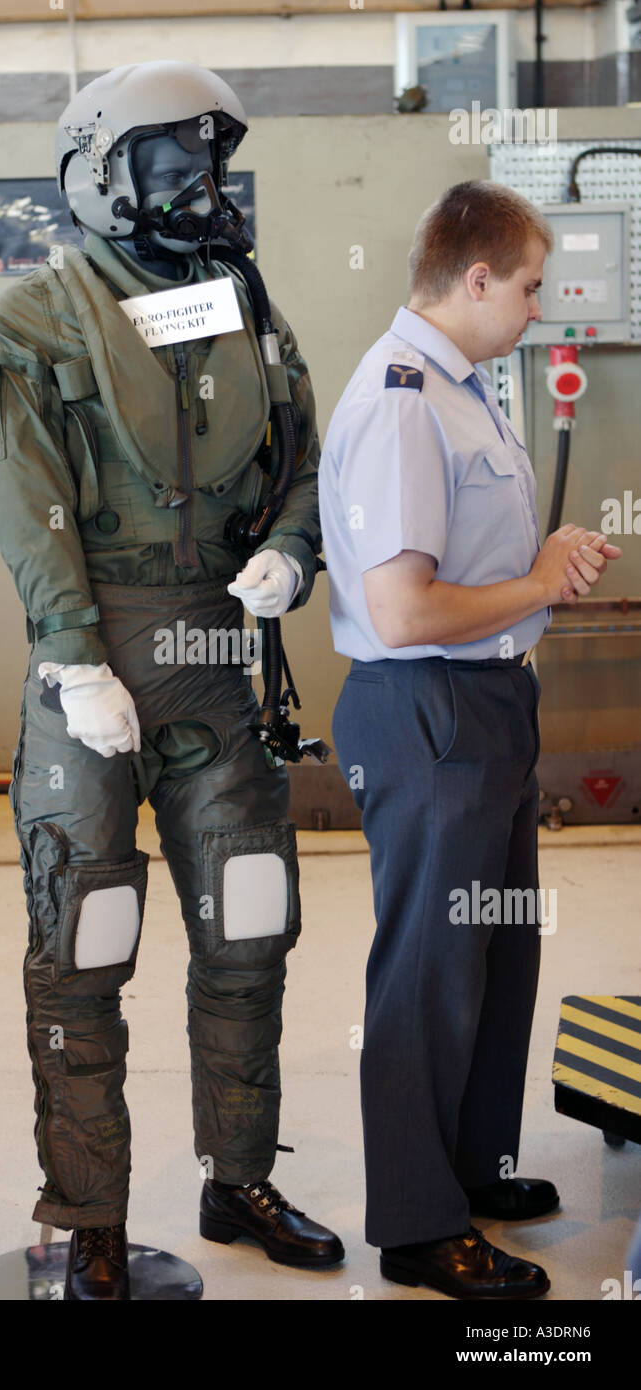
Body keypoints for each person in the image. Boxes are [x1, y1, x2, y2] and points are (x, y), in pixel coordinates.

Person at [0, 59, 343, 1301]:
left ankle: (236, 1176)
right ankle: (89, 1219)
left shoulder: (238, 305)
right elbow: (25, 504)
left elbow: (299, 451)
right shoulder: (34, 320)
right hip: (94, 671)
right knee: (85, 945)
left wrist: (289, 552)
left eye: (208, 163)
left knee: (246, 924)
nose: (199, 188)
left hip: (218, 664)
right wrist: (70, 655)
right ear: (100, 174)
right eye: (170, 162)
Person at [318, 180, 621, 1300]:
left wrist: (543, 557)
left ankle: (477, 1166)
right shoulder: (402, 400)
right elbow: (400, 612)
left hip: (485, 701)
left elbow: (464, 560)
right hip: (428, 708)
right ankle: (414, 1220)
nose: (538, 306)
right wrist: (535, 579)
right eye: (531, 284)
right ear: (476, 277)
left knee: (497, 953)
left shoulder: (462, 387)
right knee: (430, 968)